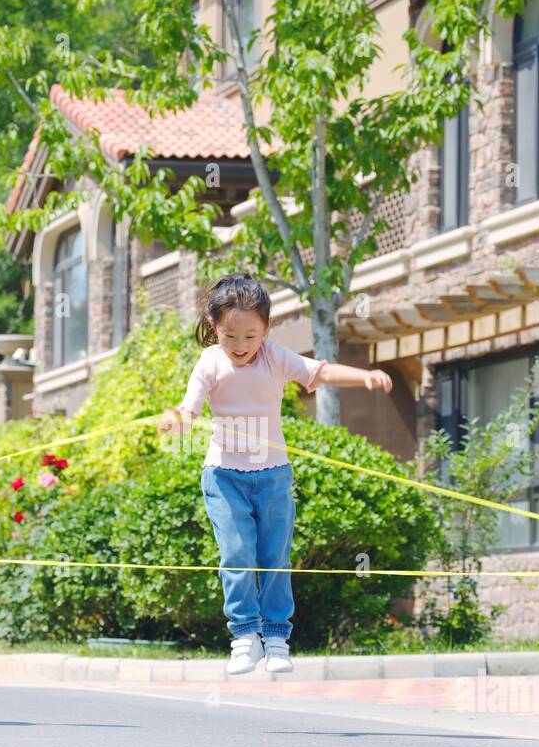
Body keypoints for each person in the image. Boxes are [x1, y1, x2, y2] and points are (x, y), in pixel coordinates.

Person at [159, 273, 393, 676]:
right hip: (224, 475)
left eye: (250, 336)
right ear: (215, 327)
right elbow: (189, 407)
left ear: (266, 329)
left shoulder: (275, 357)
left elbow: (319, 373)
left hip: (273, 475)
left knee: (274, 558)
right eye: (230, 336)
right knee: (237, 554)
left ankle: (277, 638)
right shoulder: (211, 361)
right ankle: (245, 636)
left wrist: (364, 376)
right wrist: (175, 420)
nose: (240, 347)